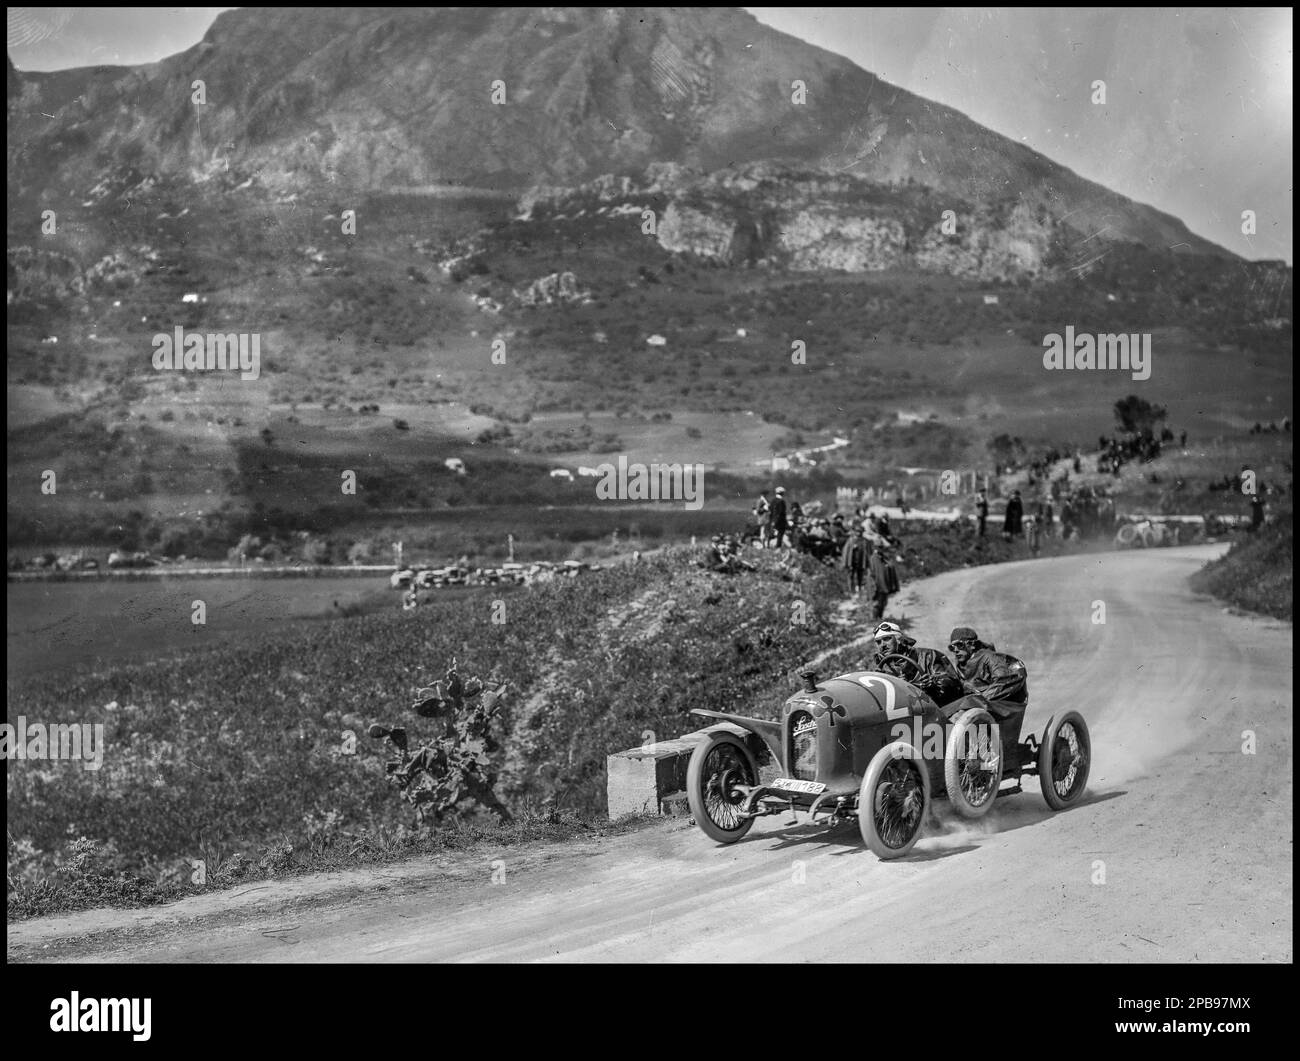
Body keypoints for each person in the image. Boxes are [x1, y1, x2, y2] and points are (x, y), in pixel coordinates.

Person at [865, 622, 964, 704]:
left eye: (887, 639)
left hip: (937, 708)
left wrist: (933, 684)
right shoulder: (880, 670)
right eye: (878, 642)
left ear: (899, 639)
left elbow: (953, 685)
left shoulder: (929, 656)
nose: (883, 645)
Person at [866, 540, 898, 620]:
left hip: (884, 583)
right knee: (877, 603)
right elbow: (872, 573)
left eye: (881, 547)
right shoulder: (873, 558)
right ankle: (875, 618)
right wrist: (873, 584)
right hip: (878, 584)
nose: (880, 549)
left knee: (883, 602)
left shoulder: (883, 557)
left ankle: (879, 617)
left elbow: (890, 567)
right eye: (878, 547)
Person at [841, 525, 868, 595]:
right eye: (857, 531)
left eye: (860, 532)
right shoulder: (851, 540)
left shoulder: (864, 540)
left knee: (860, 575)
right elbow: (846, 551)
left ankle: (859, 588)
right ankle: (851, 590)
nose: (859, 533)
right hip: (852, 562)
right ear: (855, 532)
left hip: (860, 561)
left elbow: (866, 552)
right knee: (851, 576)